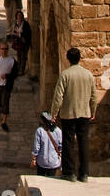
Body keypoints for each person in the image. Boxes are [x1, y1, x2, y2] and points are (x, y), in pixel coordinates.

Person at [50, 47, 98, 183]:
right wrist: (93, 111)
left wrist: (53, 113)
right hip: (84, 113)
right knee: (83, 142)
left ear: (68, 59)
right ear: (79, 58)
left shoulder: (65, 75)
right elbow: (94, 96)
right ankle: (84, 174)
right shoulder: (88, 74)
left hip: (68, 113)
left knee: (68, 142)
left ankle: (69, 173)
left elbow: (58, 96)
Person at [31, 111, 62, 178]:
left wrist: (34, 159)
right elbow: (61, 146)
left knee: (41, 179)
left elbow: (36, 147)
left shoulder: (39, 131)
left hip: (42, 161)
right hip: (54, 162)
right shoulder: (58, 131)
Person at [12, 10, 32, 76]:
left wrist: (23, 37)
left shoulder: (25, 24)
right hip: (18, 42)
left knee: (23, 57)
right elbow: (14, 32)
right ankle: (18, 69)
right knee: (19, 56)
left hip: (24, 43)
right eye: (18, 16)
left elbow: (28, 33)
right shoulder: (16, 24)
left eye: (20, 16)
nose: (19, 17)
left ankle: (22, 70)